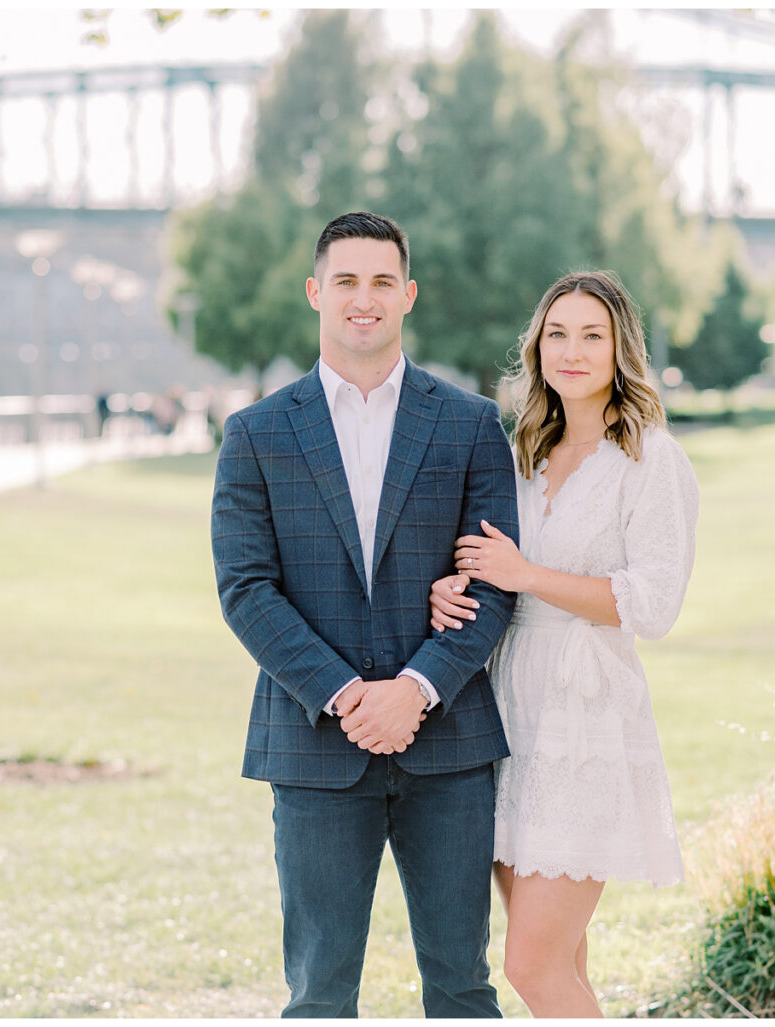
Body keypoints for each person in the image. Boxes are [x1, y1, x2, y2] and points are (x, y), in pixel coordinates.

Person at [211, 211, 520, 1017]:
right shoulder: (255, 435)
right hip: (315, 744)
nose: (364, 298)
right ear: (316, 291)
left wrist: (415, 687)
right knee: (318, 991)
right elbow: (246, 589)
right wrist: (352, 695)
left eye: (383, 281)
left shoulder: (471, 424)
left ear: (408, 294)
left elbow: (493, 582)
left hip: (448, 745)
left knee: (462, 983)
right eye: (345, 280)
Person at [429, 269, 698, 1017]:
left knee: (530, 964)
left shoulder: (650, 458)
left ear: (621, 349)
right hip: (509, 713)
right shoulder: (522, 455)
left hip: (588, 721)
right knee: (563, 967)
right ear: (537, 347)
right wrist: (458, 589)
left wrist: (525, 572)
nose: (572, 350)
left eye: (592, 334)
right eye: (557, 333)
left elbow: (652, 602)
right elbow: (491, 570)